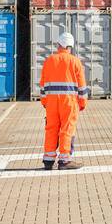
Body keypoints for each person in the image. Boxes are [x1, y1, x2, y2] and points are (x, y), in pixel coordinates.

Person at [39, 31, 89, 170]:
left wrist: (44, 102)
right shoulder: (75, 61)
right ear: (70, 47)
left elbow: (43, 84)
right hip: (69, 102)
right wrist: (82, 103)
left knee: (51, 128)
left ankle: (48, 160)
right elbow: (82, 85)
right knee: (67, 129)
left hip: (51, 102)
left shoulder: (49, 60)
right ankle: (65, 160)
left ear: (58, 45)